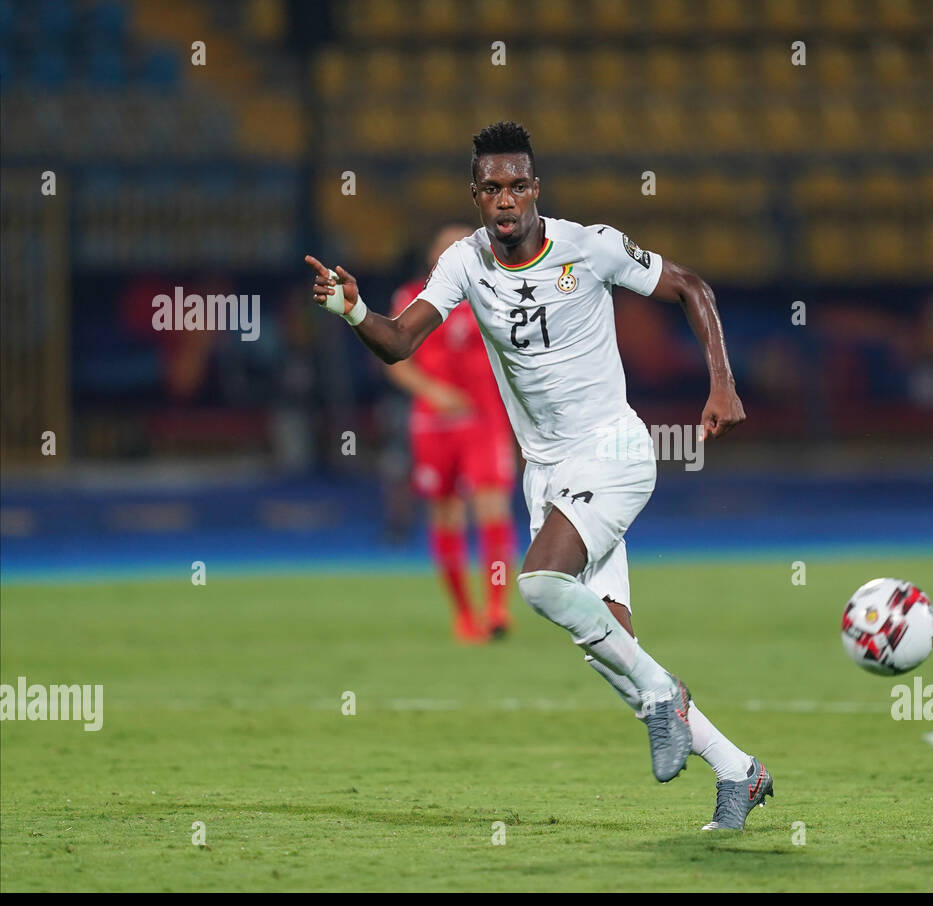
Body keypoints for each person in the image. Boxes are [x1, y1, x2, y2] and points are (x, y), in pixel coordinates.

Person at [306, 122, 772, 830]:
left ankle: (665, 693)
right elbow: (400, 341)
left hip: (612, 451)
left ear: (535, 190)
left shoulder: (587, 246)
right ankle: (739, 770)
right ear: (475, 194)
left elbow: (690, 286)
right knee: (610, 651)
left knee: (541, 583)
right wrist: (352, 309)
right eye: (491, 187)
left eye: (517, 185)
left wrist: (722, 384)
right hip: (547, 474)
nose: (505, 199)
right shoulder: (465, 264)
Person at [385, 225, 517, 642]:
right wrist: (431, 391)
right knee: (445, 513)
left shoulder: (497, 293)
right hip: (433, 423)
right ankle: (463, 614)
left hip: (483, 420)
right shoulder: (411, 298)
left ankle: (496, 609)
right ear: (433, 256)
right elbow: (392, 355)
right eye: (446, 247)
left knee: (492, 508)